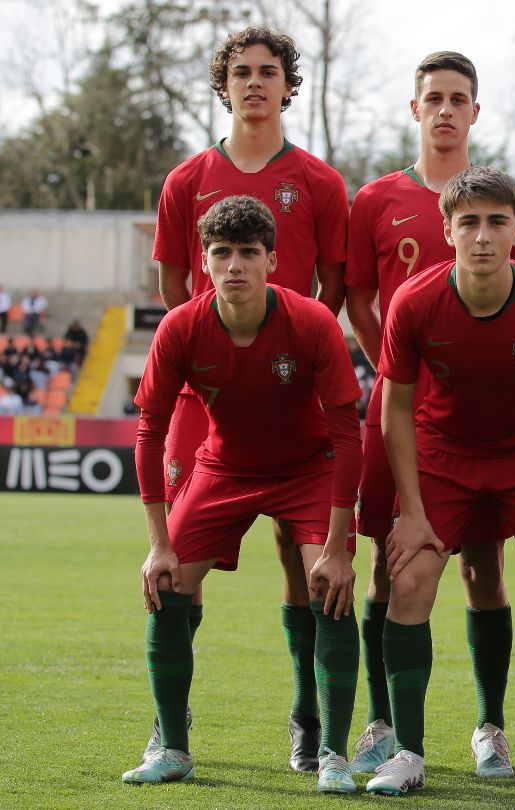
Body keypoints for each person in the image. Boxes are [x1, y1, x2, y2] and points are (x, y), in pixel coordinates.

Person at [148, 25, 350, 772]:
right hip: (207, 398)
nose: (256, 83)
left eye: (270, 72)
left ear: (289, 86)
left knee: (303, 563)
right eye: (242, 72)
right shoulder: (185, 180)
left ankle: (309, 718)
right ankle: (171, 718)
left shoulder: (322, 183)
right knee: (179, 557)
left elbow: (332, 286)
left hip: (292, 393)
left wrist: (290, 351)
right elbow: (174, 291)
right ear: (223, 84)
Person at [369, 166, 515, 798]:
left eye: (497, 221)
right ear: (447, 231)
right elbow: (395, 406)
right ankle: (409, 752)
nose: (482, 235)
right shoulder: (414, 302)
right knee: (410, 577)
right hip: (444, 455)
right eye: (468, 221)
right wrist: (411, 512)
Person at [342, 50, 515, 775]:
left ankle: (490, 725)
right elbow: (358, 297)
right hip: (400, 414)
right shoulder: (374, 200)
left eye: (460, 98)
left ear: (476, 112)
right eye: (434, 97)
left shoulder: (505, 198)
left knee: (484, 568)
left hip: (486, 419)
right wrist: (400, 369)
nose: (447, 109)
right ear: (415, 109)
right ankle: (381, 721)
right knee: (389, 566)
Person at [123, 196, 362, 792]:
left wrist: (338, 547)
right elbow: (149, 431)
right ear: (203, 263)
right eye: (222, 253)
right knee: (168, 581)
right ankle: (172, 745)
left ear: (271, 260)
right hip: (223, 469)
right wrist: (158, 544)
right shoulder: (180, 327)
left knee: (327, 585)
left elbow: (347, 435)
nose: (235, 265)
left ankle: (330, 752)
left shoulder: (311, 322)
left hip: (308, 468)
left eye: (248, 253)